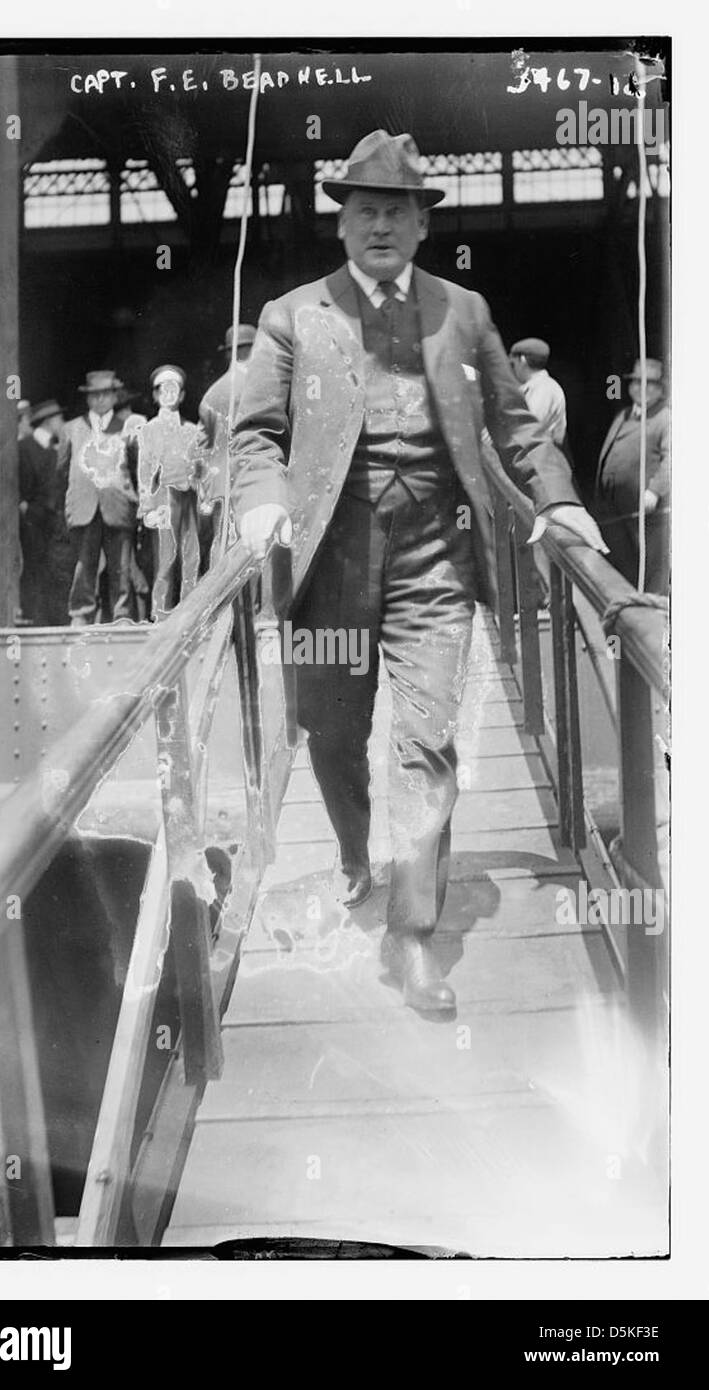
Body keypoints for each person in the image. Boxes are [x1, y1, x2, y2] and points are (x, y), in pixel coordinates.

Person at [231, 129, 607, 1014]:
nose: (381, 227)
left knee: (426, 740)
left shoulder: (462, 311)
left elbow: (517, 428)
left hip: (434, 557)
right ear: (342, 224)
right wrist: (259, 497)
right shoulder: (292, 316)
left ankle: (412, 936)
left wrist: (556, 501)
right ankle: (359, 853)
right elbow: (255, 435)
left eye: (397, 211)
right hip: (329, 560)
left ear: (421, 225)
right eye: (365, 210)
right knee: (331, 734)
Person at [60, 370, 140, 626]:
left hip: (117, 506)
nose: (100, 400)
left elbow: (137, 467)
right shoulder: (71, 429)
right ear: (87, 398)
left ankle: (122, 614)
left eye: (106, 394)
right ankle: (81, 613)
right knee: (85, 564)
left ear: (115, 396)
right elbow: (61, 469)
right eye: (95, 395)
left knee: (121, 566)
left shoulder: (127, 428)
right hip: (84, 506)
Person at [594, 357, 670, 595]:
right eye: (636, 382)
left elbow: (674, 459)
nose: (641, 388)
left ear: (660, 389)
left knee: (650, 569)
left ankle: (649, 621)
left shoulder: (666, 418)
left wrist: (655, 491)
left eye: (649, 383)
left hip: (645, 512)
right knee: (623, 565)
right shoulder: (624, 414)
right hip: (615, 508)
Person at [134, 364, 201, 618]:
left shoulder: (192, 430)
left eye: (175, 389)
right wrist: (147, 506)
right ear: (155, 395)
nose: (170, 394)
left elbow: (199, 467)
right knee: (166, 555)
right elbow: (145, 471)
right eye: (164, 389)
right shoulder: (148, 430)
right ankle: (160, 612)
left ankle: (189, 610)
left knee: (191, 553)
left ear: (182, 395)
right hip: (163, 498)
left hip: (188, 497)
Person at [194, 323, 257, 565]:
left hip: (222, 482)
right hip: (251, 479)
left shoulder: (212, 394)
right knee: (249, 547)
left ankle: (224, 603)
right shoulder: (260, 388)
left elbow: (202, 444)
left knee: (224, 545)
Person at [18, 399, 67, 625]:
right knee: (34, 566)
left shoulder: (54, 449)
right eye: (59, 419)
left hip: (52, 520)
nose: (62, 423)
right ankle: (34, 616)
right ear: (49, 421)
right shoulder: (24, 447)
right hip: (34, 519)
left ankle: (49, 618)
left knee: (51, 568)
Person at [508, 338, 567, 446]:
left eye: (513, 364)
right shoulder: (535, 387)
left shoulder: (544, 388)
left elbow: (527, 431)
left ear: (522, 360)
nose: (513, 370)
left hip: (535, 459)